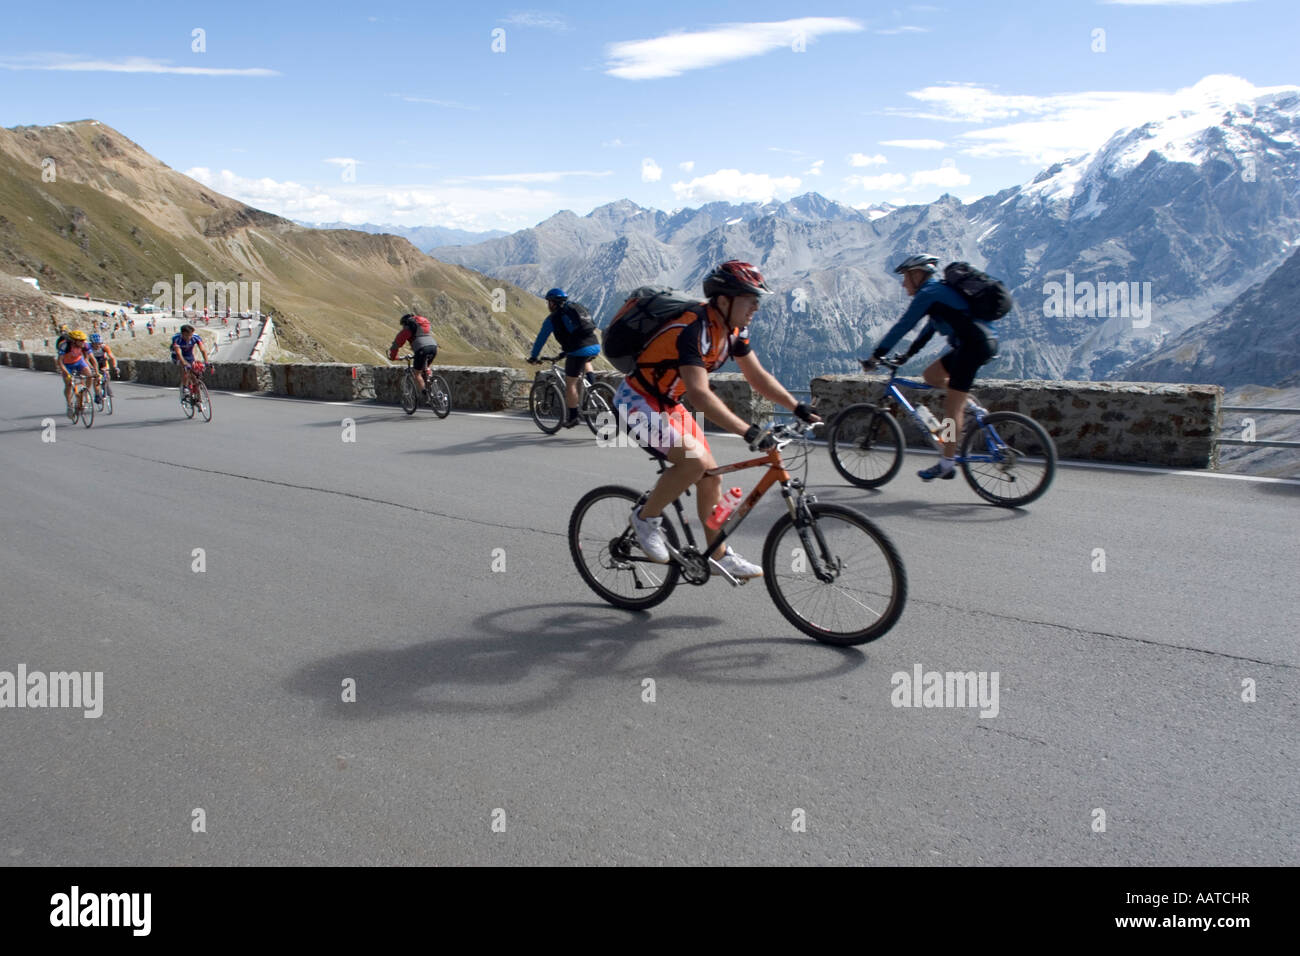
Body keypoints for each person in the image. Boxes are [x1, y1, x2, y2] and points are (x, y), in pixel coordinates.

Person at [617, 260, 819, 580]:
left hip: (668, 403)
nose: (756, 306)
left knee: (711, 476)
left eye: (757, 300)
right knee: (694, 462)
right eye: (749, 299)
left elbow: (757, 377)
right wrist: (748, 431)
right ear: (724, 301)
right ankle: (644, 519)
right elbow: (699, 394)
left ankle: (718, 555)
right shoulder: (692, 328)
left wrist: (796, 407)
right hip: (636, 401)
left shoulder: (733, 329)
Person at [862, 254, 999, 481]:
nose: (903, 283)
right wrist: (907, 355)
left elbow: (904, 325)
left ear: (918, 274)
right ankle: (973, 408)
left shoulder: (929, 293)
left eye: (906, 276)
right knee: (932, 375)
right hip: (977, 343)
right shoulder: (938, 294)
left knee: (952, 408)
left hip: (973, 346)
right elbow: (928, 330)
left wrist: (876, 355)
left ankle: (947, 462)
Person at [526, 288, 601, 429]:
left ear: (553, 303)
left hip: (578, 349)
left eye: (548, 302)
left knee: (570, 383)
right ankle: (593, 389)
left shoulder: (552, 319)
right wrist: (564, 352)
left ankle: (573, 417)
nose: (548, 305)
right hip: (594, 344)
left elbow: (541, 339)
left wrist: (533, 357)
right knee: (586, 361)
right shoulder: (575, 308)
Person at [387, 314, 438, 393]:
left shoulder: (408, 330)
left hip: (422, 349)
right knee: (425, 367)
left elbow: (396, 345)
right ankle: (433, 389)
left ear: (406, 323)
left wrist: (393, 356)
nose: (403, 327)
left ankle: (425, 391)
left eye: (403, 325)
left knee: (417, 373)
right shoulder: (422, 329)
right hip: (434, 346)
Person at [57, 329, 99, 410]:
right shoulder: (65, 346)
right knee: (68, 384)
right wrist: (67, 373)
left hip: (79, 362)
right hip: (67, 365)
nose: (84, 342)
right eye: (81, 341)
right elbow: (60, 362)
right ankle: (69, 404)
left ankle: (85, 392)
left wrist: (96, 372)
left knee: (90, 375)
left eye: (84, 340)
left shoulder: (85, 345)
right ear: (74, 341)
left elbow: (93, 359)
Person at [170, 324, 211, 399]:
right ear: (182, 334)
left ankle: (198, 399)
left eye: (190, 335)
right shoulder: (176, 338)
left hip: (189, 355)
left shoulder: (195, 337)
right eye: (187, 335)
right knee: (185, 368)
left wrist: (206, 362)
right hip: (177, 356)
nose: (189, 337)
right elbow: (179, 353)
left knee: (195, 374)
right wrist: (185, 364)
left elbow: (203, 350)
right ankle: (185, 387)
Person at [87, 333, 117, 402]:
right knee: (96, 378)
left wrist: (115, 366)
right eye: (96, 344)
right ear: (92, 343)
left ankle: (106, 385)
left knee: (107, 374)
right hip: (92, 362)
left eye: (99, 343)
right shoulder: (88, 348)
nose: (98, 345)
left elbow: (112, 357)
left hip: (102, 362)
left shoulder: (104, 347)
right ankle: (97, 394)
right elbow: (86, 359)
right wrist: (91, 368)